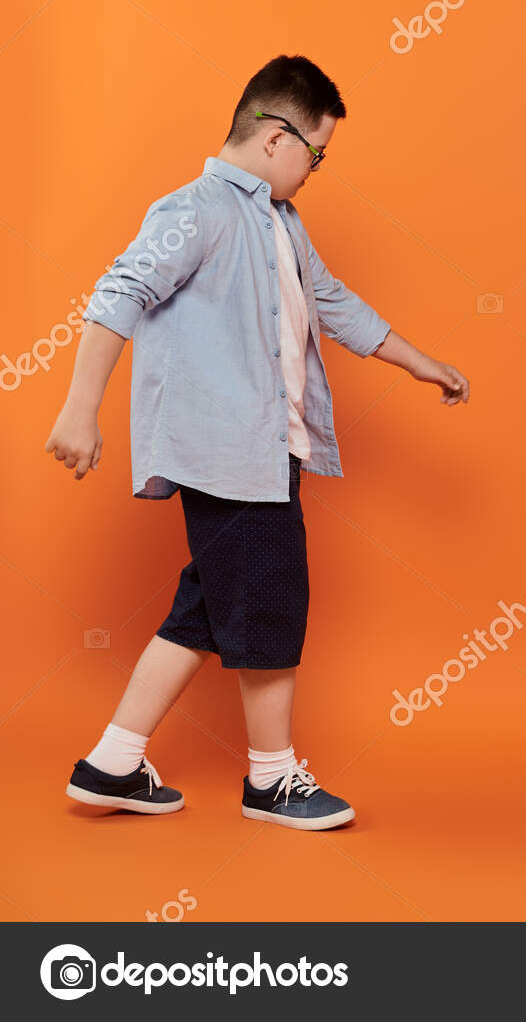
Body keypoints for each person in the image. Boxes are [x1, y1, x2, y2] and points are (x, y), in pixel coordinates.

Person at [45, 54, 470, 830]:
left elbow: (331, 301)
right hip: (230, 452)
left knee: (207, 608)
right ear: (277, 138)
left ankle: (111, 762)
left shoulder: (282, 224)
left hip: (264, 449)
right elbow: (119, 292)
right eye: (317, 153)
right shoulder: (196, 208)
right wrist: (81, 410)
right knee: (272, 602)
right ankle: (271, 781)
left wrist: (420, 363)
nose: (316, 171)